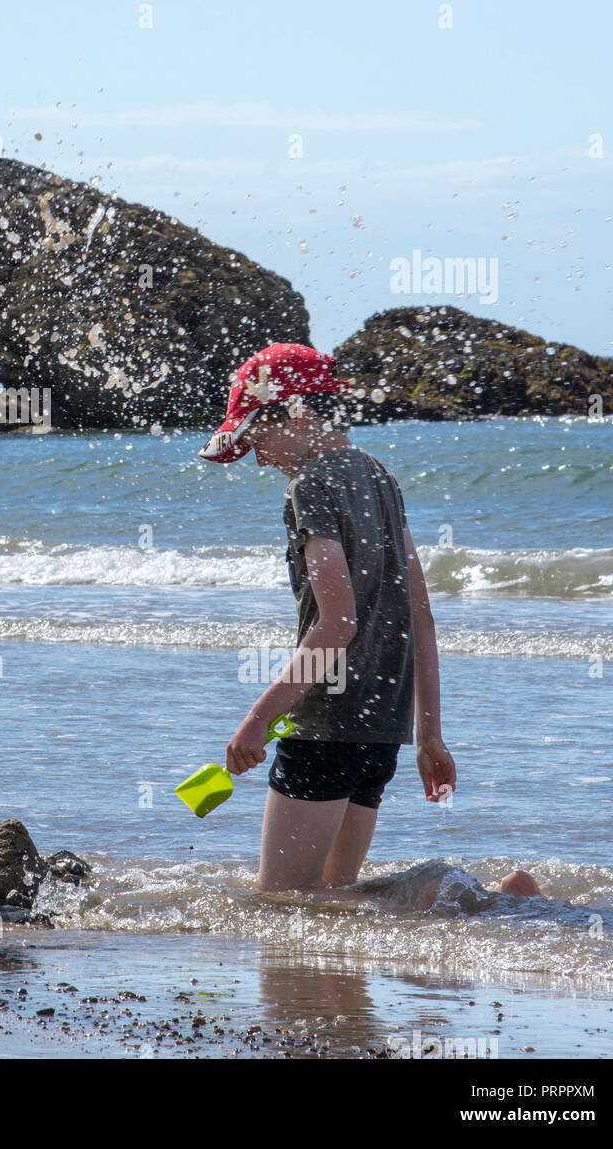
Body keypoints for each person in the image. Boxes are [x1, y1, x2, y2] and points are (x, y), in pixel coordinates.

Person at [200, 343, 456, 892]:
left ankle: (456, 899)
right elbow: (423, 615)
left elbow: (338, 623)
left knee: (282, 906)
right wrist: (427, 735)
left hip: (326, 726)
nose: (257, 456)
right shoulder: (379, 475)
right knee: (336, 906)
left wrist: (258, 719)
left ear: (296, 412)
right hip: (382, 731)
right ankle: (462, 901)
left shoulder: (310, 485)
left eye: (256, 435)